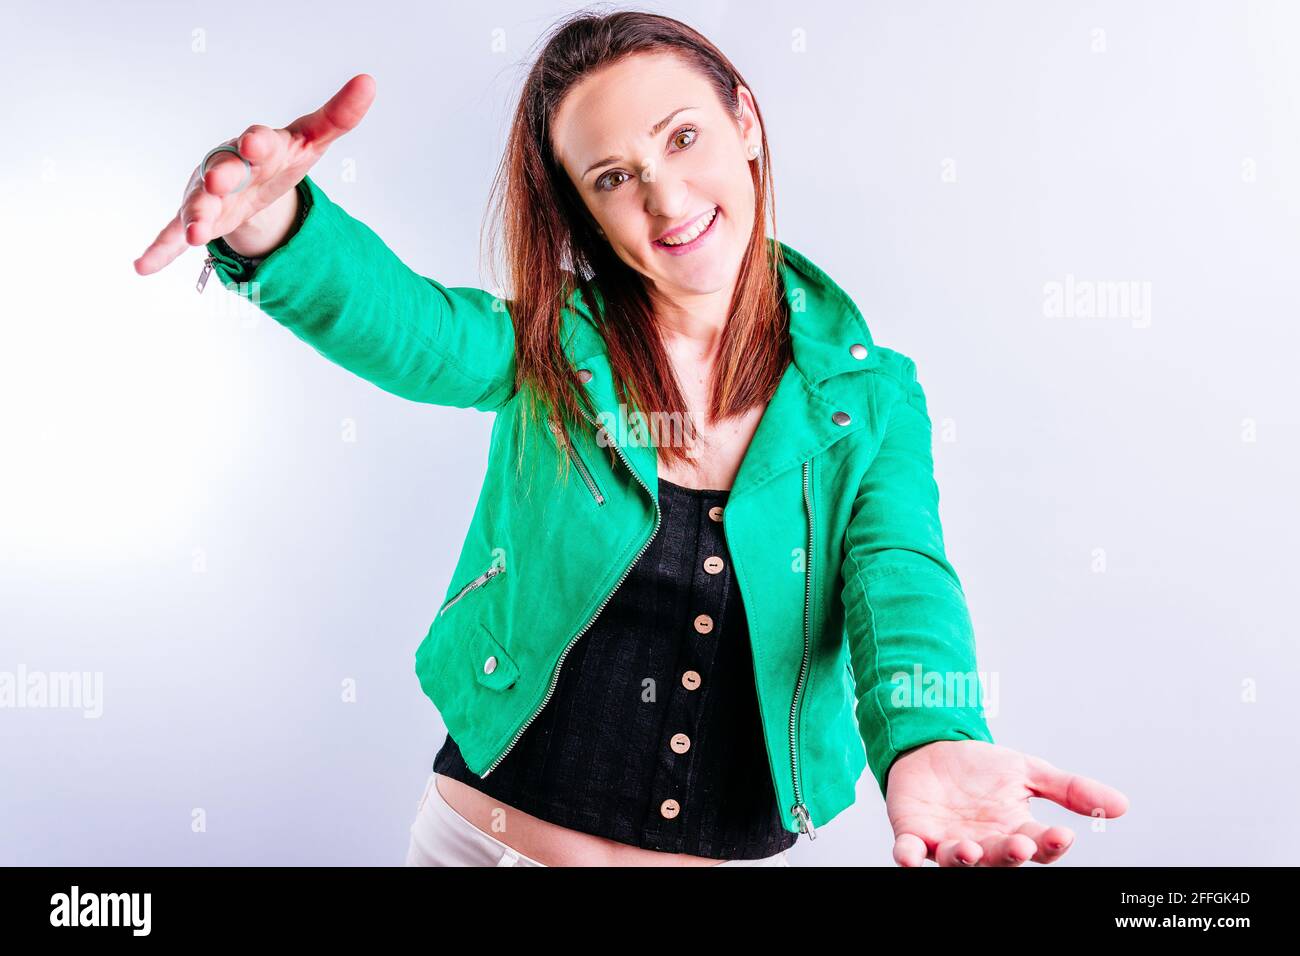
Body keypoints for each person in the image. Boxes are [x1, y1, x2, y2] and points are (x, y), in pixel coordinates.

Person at [135, 10, 1129, 867]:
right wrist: (274, 227)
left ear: (743, 121)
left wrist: (932, 736)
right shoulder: (553, 349)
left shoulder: (870, 397)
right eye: (614, 175)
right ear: (586, 211)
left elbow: (901, 577)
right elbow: (415, 330)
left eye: (683, 137)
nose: (664, 198)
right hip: (473, 842)